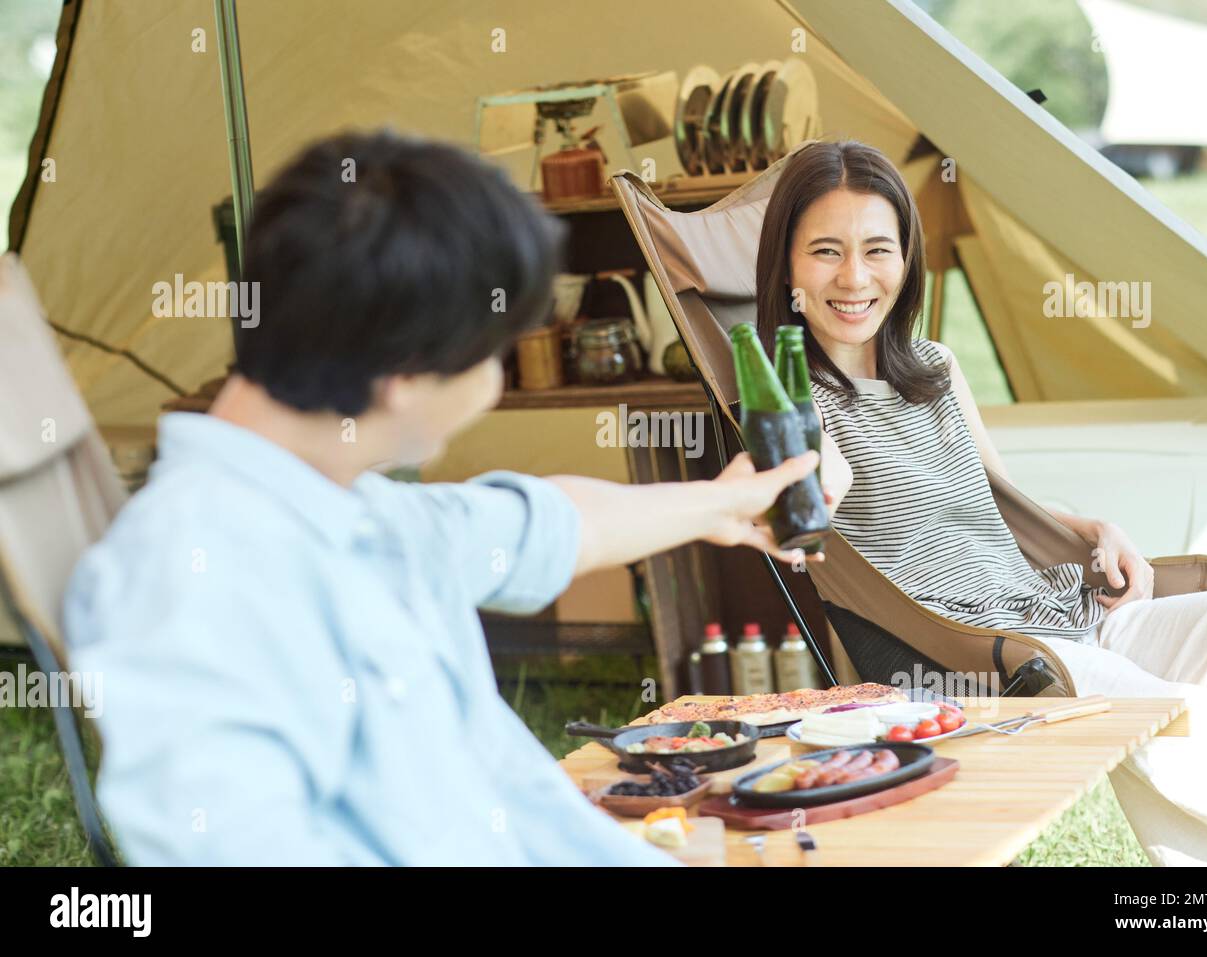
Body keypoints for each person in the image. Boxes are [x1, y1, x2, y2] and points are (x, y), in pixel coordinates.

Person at [61, 130, 851, 866]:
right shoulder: (189, 583)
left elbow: (545, 524)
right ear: (404, 373)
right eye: (491, 354)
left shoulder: (342, 505)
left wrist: (727, 504)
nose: (494, 383)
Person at [754, 138, 1207, 866]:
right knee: (1193, 719)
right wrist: (803, 471)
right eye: (825, 251)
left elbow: (1004, 504)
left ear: (907, 259)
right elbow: (815, 481)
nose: (855, 277)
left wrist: (1098, 530)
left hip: (1059, 613)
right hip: (987, 658)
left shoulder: (938, 371)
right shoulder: (797, 402)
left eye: (877, 249)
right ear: (786, 267)